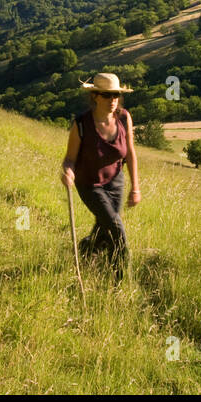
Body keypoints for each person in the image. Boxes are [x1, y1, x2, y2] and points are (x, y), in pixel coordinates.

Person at [61, 72, 140, 277]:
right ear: (95, 96)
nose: (113, 100)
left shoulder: (124, 117)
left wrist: (135, 188)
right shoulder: (81, 124)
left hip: (116, 180)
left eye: (115, 95)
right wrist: (68, 171)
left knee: (105, 226)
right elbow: (70, 158)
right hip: (89, 184)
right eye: (106, 95)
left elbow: (130, 153)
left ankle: (88, 248)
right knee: (116, 229)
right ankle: (121, 280)